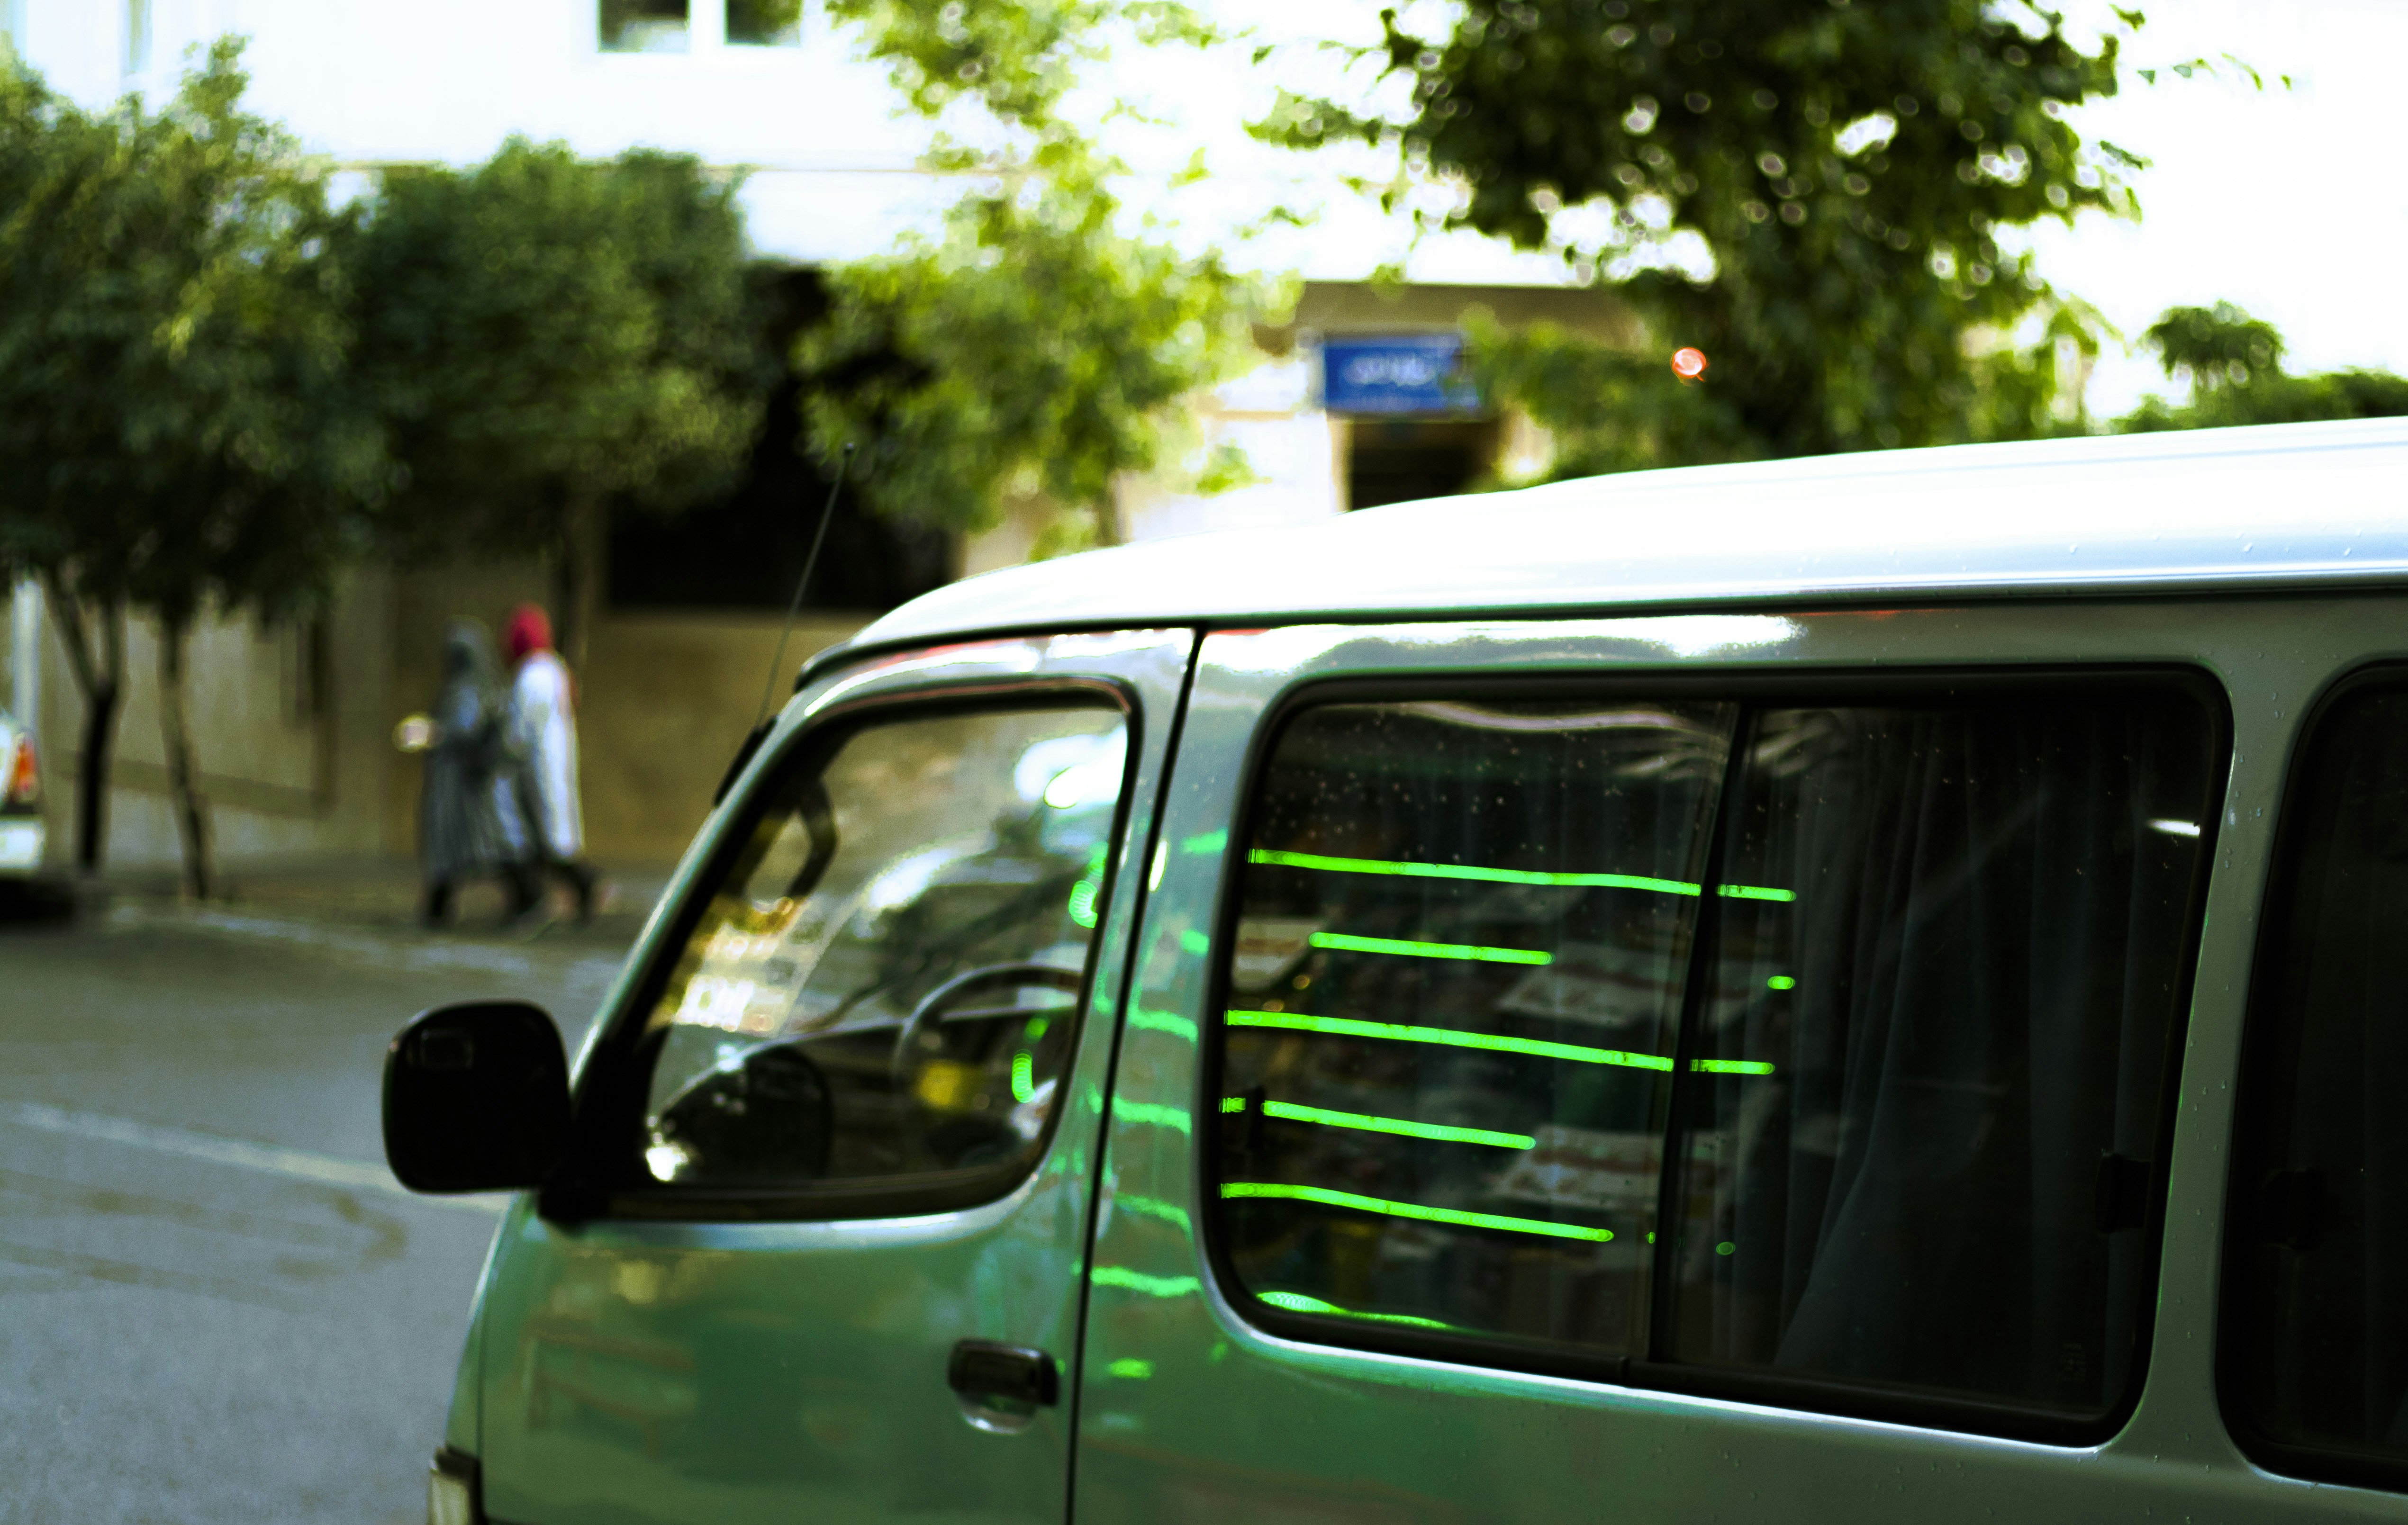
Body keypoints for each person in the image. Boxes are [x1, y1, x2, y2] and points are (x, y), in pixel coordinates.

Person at [419, 621, 538, 925]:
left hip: (468, 788)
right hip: (469, 786)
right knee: (468, 847)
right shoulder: (484, 686)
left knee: (476, 843)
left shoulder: (469, 689)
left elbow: (464, 728)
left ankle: (527, 896)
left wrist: (434, 733)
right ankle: (438, 907)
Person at [504, 604, 599, 921]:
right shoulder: (554, 668)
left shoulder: (533, 674)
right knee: (552, 835)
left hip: (539, 766)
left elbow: (520, 729)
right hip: (552, 763)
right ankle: (544, 897)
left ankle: (586, 888)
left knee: (549, 837)